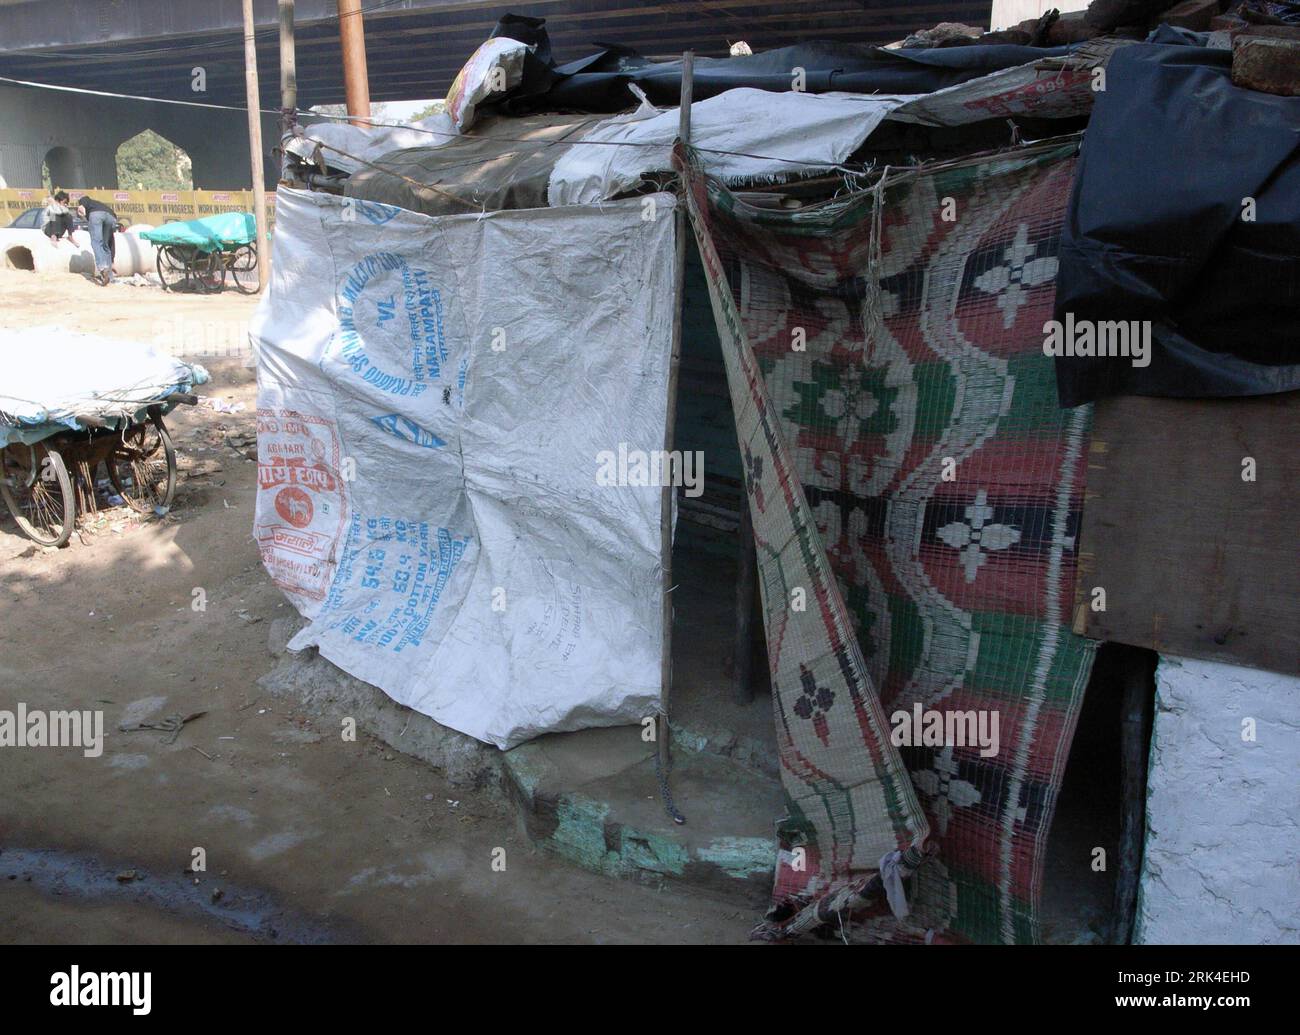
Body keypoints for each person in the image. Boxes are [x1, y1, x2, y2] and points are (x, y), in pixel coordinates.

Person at [76, 194, 119, 285]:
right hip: (112, 217)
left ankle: (103, 268)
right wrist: (112, 261)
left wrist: (81, 208)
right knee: (105, 245)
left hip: (97, 215)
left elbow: (83, 201)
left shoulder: (87, 202)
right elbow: (111, 242)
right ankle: (110, 276)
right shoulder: (98, 204)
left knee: (96, 242)